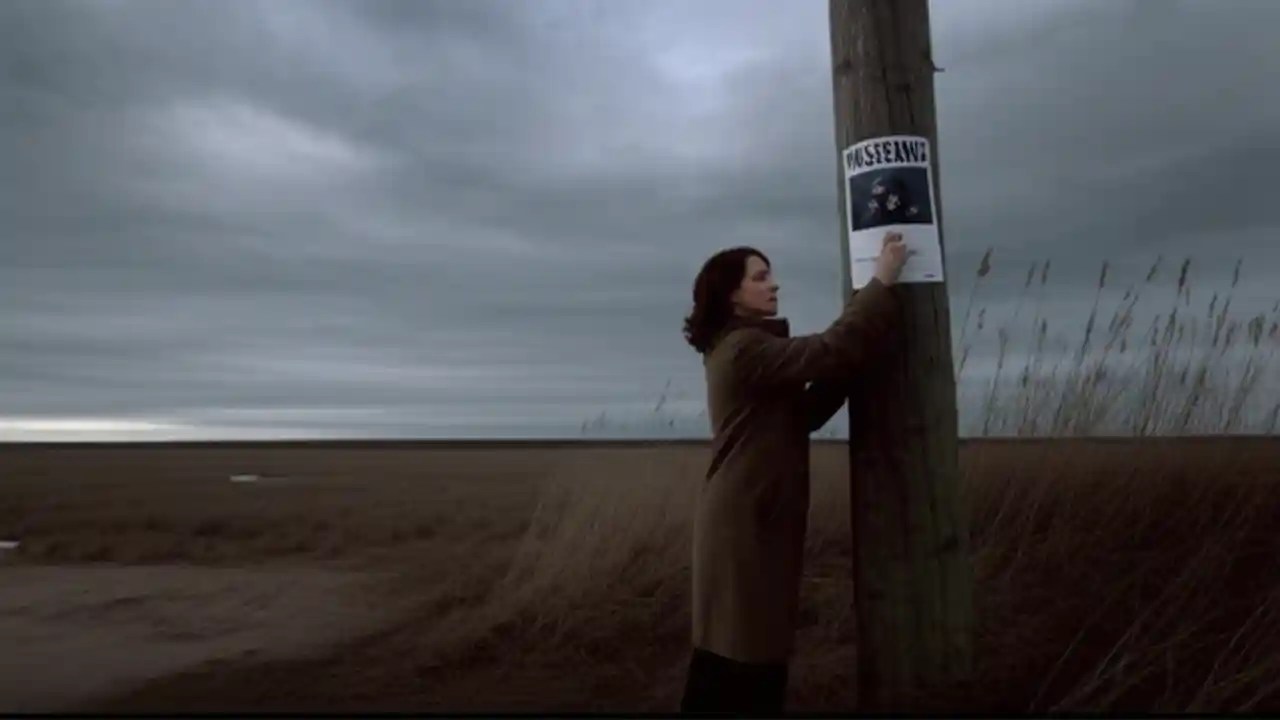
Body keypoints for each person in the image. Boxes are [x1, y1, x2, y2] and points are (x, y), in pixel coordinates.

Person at [678, 232, 909, 714]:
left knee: (742, 653)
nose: (774, 286)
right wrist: (881, 283)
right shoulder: (743, 349)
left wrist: (854, 363)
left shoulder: (746, 351)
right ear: (732, 295)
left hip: (749, 519)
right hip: (743, 524)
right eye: (761, 278)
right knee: (743, 657)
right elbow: (828, 349)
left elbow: (804, 411)